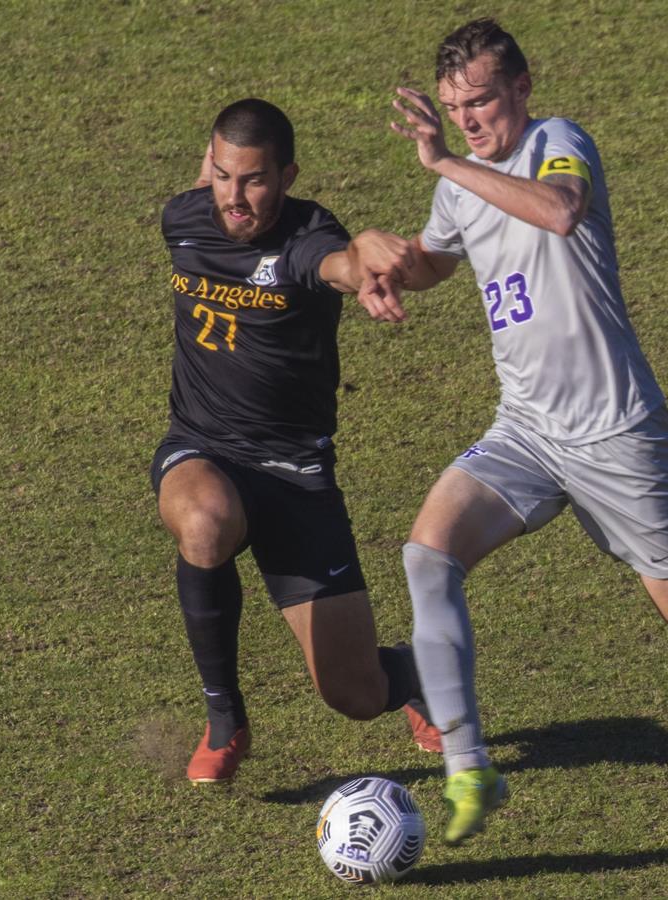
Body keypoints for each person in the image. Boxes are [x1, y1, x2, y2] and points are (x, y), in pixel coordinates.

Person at [372, 19, 668, 844]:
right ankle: (469, 767)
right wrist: (384, 271)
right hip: (527, 432)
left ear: (521, 87)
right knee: (426, 554)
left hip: (620, 437)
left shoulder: (556, 142)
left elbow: (559, 212)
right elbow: (441, 256)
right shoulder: (460, 181)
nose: (468, 120)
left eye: (479, 101)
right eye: (452, 108)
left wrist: (446, 161)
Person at [153, 98, 438, 785]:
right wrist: (213, 181)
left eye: (253, 180)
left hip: (296, 474)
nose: (236, 198)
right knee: (204, 521)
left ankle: (421, 674)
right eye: (223, 176)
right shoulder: (183, 218)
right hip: (202, 447)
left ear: (286, 175)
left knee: (355, 694)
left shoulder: (309, 235)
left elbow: (335, 264)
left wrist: (364, 254)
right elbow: (205, 193)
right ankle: (227, 723)